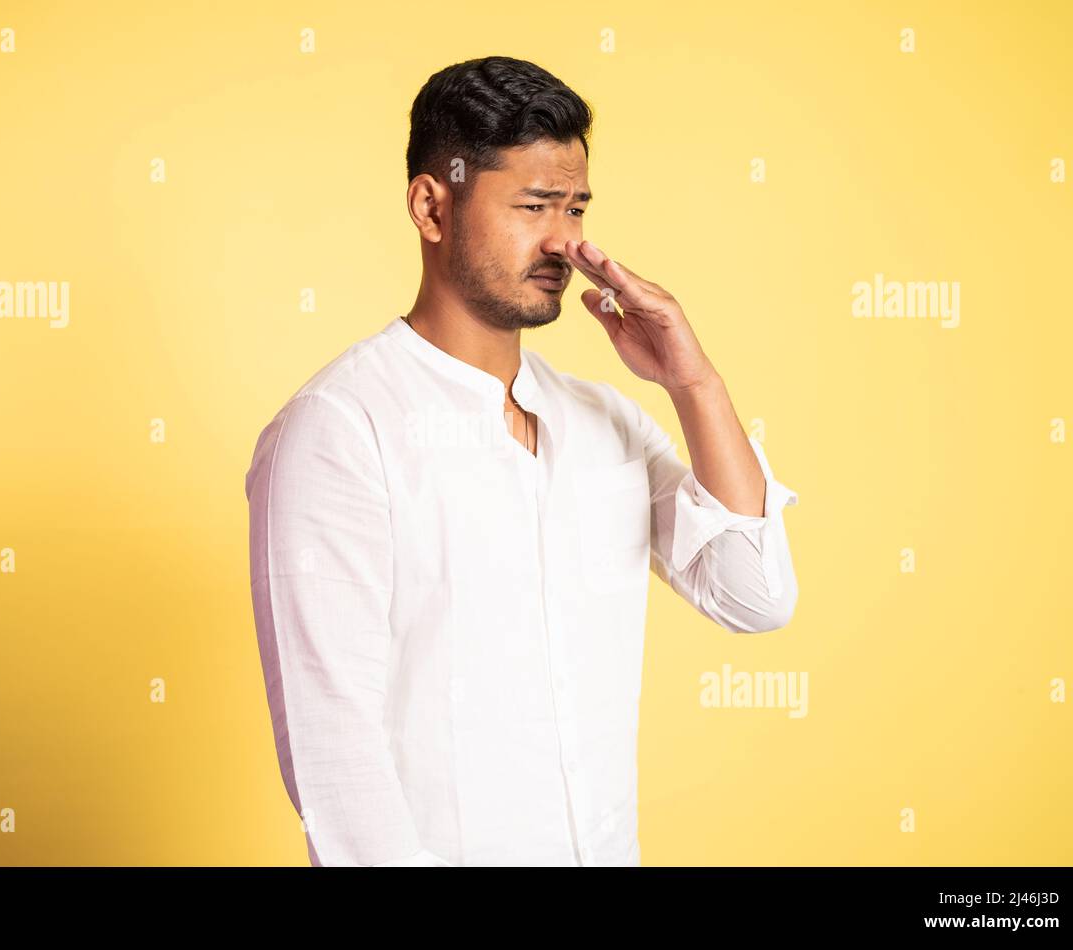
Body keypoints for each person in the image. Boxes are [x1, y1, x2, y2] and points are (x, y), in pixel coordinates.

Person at [245, 55, 799, 866]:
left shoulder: (603, 419)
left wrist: (694, 381)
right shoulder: (341, 428)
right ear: (432, 207)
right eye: (534, 205)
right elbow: (338, 760)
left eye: (575, 207)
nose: (564, 241)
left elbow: (755, 596)